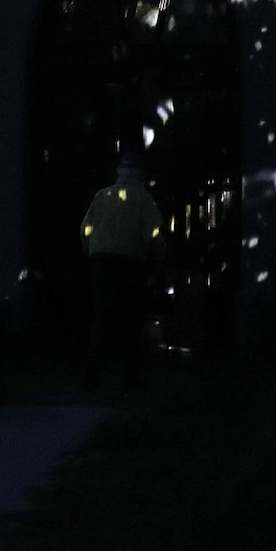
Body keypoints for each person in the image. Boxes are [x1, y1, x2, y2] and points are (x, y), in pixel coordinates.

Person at [79, 147, 164, 391]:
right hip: (130, 264)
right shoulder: (144, 199)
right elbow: (154, 235)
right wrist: (158, 259)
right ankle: (130, 379)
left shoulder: (102, 196)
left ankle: (92, 376)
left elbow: (85, 227)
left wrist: (90, 249)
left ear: (118, 172)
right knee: (131, 321)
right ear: (140, 174)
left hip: (101, 261)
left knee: (102, 319)